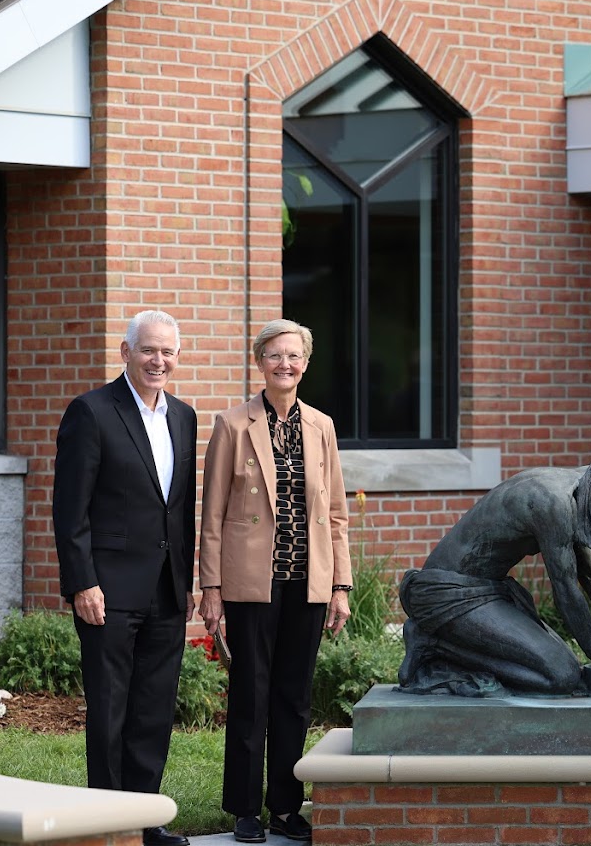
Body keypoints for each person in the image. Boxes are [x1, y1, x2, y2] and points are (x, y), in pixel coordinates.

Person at [198, 320, 352, 844]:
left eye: (293, 356)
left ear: (305, 364)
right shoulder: (232, 424)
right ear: (259, 362)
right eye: (274, 355)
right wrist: (211, 587)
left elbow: (336, 514)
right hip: (250, 584)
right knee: (251, 694)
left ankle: (286, 807)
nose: (284, 364)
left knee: (294, 698)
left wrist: (340, 586)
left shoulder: (322, 426)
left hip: (308, 582)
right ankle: (244, 809)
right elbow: (212, 512)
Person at [52, 310, 197, 846]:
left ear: (178, 357)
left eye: (168, 352)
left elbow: (179, 508)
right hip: (107, 589)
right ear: (126, 352)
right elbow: (70, 509)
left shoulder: (184, 417)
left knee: (153, 710)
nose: (158, 361)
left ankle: (144, 818)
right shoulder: (91, 412)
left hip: (166, 588)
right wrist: (82, 582)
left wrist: (186, 581)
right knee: (110, 709)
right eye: (148, 350)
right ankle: (108, 824)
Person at [397, 441, 591, 696]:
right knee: (562, 678)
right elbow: (566, 590)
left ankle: (440, 644)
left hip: (489, 592)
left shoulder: (586, 490)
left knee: (567, 672)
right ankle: (433, 644)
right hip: (446, 594)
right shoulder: (553, 502)